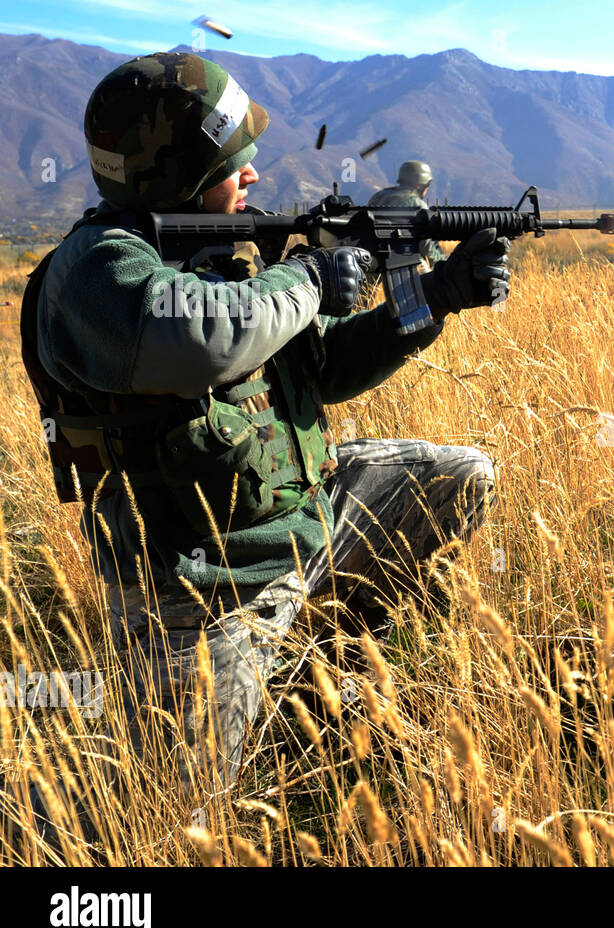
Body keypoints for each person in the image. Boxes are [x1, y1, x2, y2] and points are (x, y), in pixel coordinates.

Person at [18, 52, 510, 819]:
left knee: (461, 475)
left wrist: (437, 298)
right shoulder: (97, 273)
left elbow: (322, 364)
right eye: (232, 163)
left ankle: (324, 662)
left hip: (307, 525)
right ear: (172, 174)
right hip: (197, 596)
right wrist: (311, 276)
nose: (252, 177)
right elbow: (203, 337)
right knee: (173, 822)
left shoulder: (230, 253)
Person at [369, 160, 445, 263]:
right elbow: (426, 247)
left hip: (372, 257)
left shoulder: (378, 196)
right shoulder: (419, 205)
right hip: (405, 259)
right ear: (421, 184)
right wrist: (441, 262)